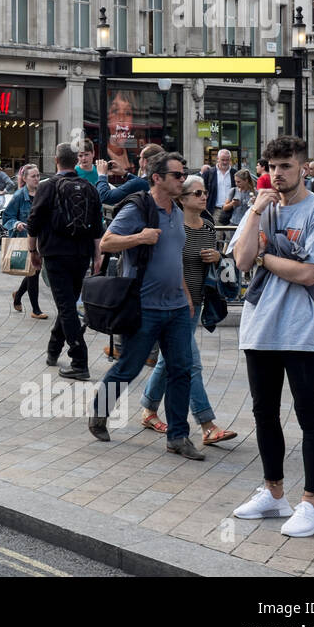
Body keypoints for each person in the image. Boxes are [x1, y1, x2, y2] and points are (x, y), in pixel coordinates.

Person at [230, 135, 314, 538]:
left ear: (304, 168)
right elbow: (241, 261)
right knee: (264, 413)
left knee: (310, 414)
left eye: (286, 166)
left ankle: (311, 503)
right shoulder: (259, 209)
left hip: (301, 330)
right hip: (259, 327)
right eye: (271, 167)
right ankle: (274, 493)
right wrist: (255, 213)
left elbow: (310, 273)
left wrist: (263, 256)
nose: (277, 174)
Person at [87, 152, 201, 459]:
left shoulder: (177, 211)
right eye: (177, 175)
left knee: (181, 370)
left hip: (176, 307)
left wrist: (187, 295)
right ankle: (99, 410)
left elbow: (174, 260)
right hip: (144, 307)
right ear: (157, 178)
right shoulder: (138, 208)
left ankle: (178, 437)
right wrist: (139, 237)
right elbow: (107, 242)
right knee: (129, 367)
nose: (183, 179)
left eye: (183, 174)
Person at [136, 174, 237, 447]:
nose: (204, 197)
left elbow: (216, 260)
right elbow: (168, 264)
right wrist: (184, 296)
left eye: (204, 193)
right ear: (182, 199)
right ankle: (207, 424)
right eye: (197, 193)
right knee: (191, 363)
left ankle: (147, 408)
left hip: (197, 301)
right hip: (171, 303)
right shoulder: (172, 225)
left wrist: (218, 256)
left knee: (168, 361)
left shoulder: (207, 226)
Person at [27, 142, 103, 380]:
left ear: (56, 161)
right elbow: (97, 227)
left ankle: (79, 360)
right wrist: (97, 256)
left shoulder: (48, 187)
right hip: (81, 254)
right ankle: (53, 349)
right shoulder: (90, 188)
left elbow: (34, 220)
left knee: (66, 306)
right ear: (75, 161)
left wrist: (32, 251)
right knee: (67, 302)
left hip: (56, 252)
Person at [5, 165, 47, 320]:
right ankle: (35, 310)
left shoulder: (43, 193)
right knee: (34, 273)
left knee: (33, 271)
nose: (37, 179)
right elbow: (7, 218)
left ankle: (18, 296)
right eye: (33, 176)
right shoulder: (18, 196)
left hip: (42, 239)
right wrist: (16, 224)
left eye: (38, 175)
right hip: (26, 239)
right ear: (25, 178)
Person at [200, 149, 237, 219]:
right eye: (223, 160)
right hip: (214, 211)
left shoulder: (235, 173)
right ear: (218, 159)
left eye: (227, 160)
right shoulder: (208, 174)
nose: (225, 162)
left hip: (232, 212)